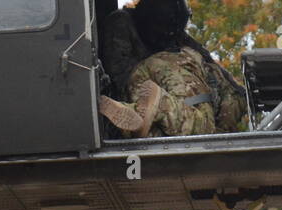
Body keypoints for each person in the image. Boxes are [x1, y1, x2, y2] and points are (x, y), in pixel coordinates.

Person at [98, 0, 247, 138]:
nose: (164, 38)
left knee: (154, 133)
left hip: (150, 91)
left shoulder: (174, 32)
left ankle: (133, 112)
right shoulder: (123, 22)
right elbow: (119, 76)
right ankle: (161, 105)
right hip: (152, 83)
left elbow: (205, 56)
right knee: (203, 130)